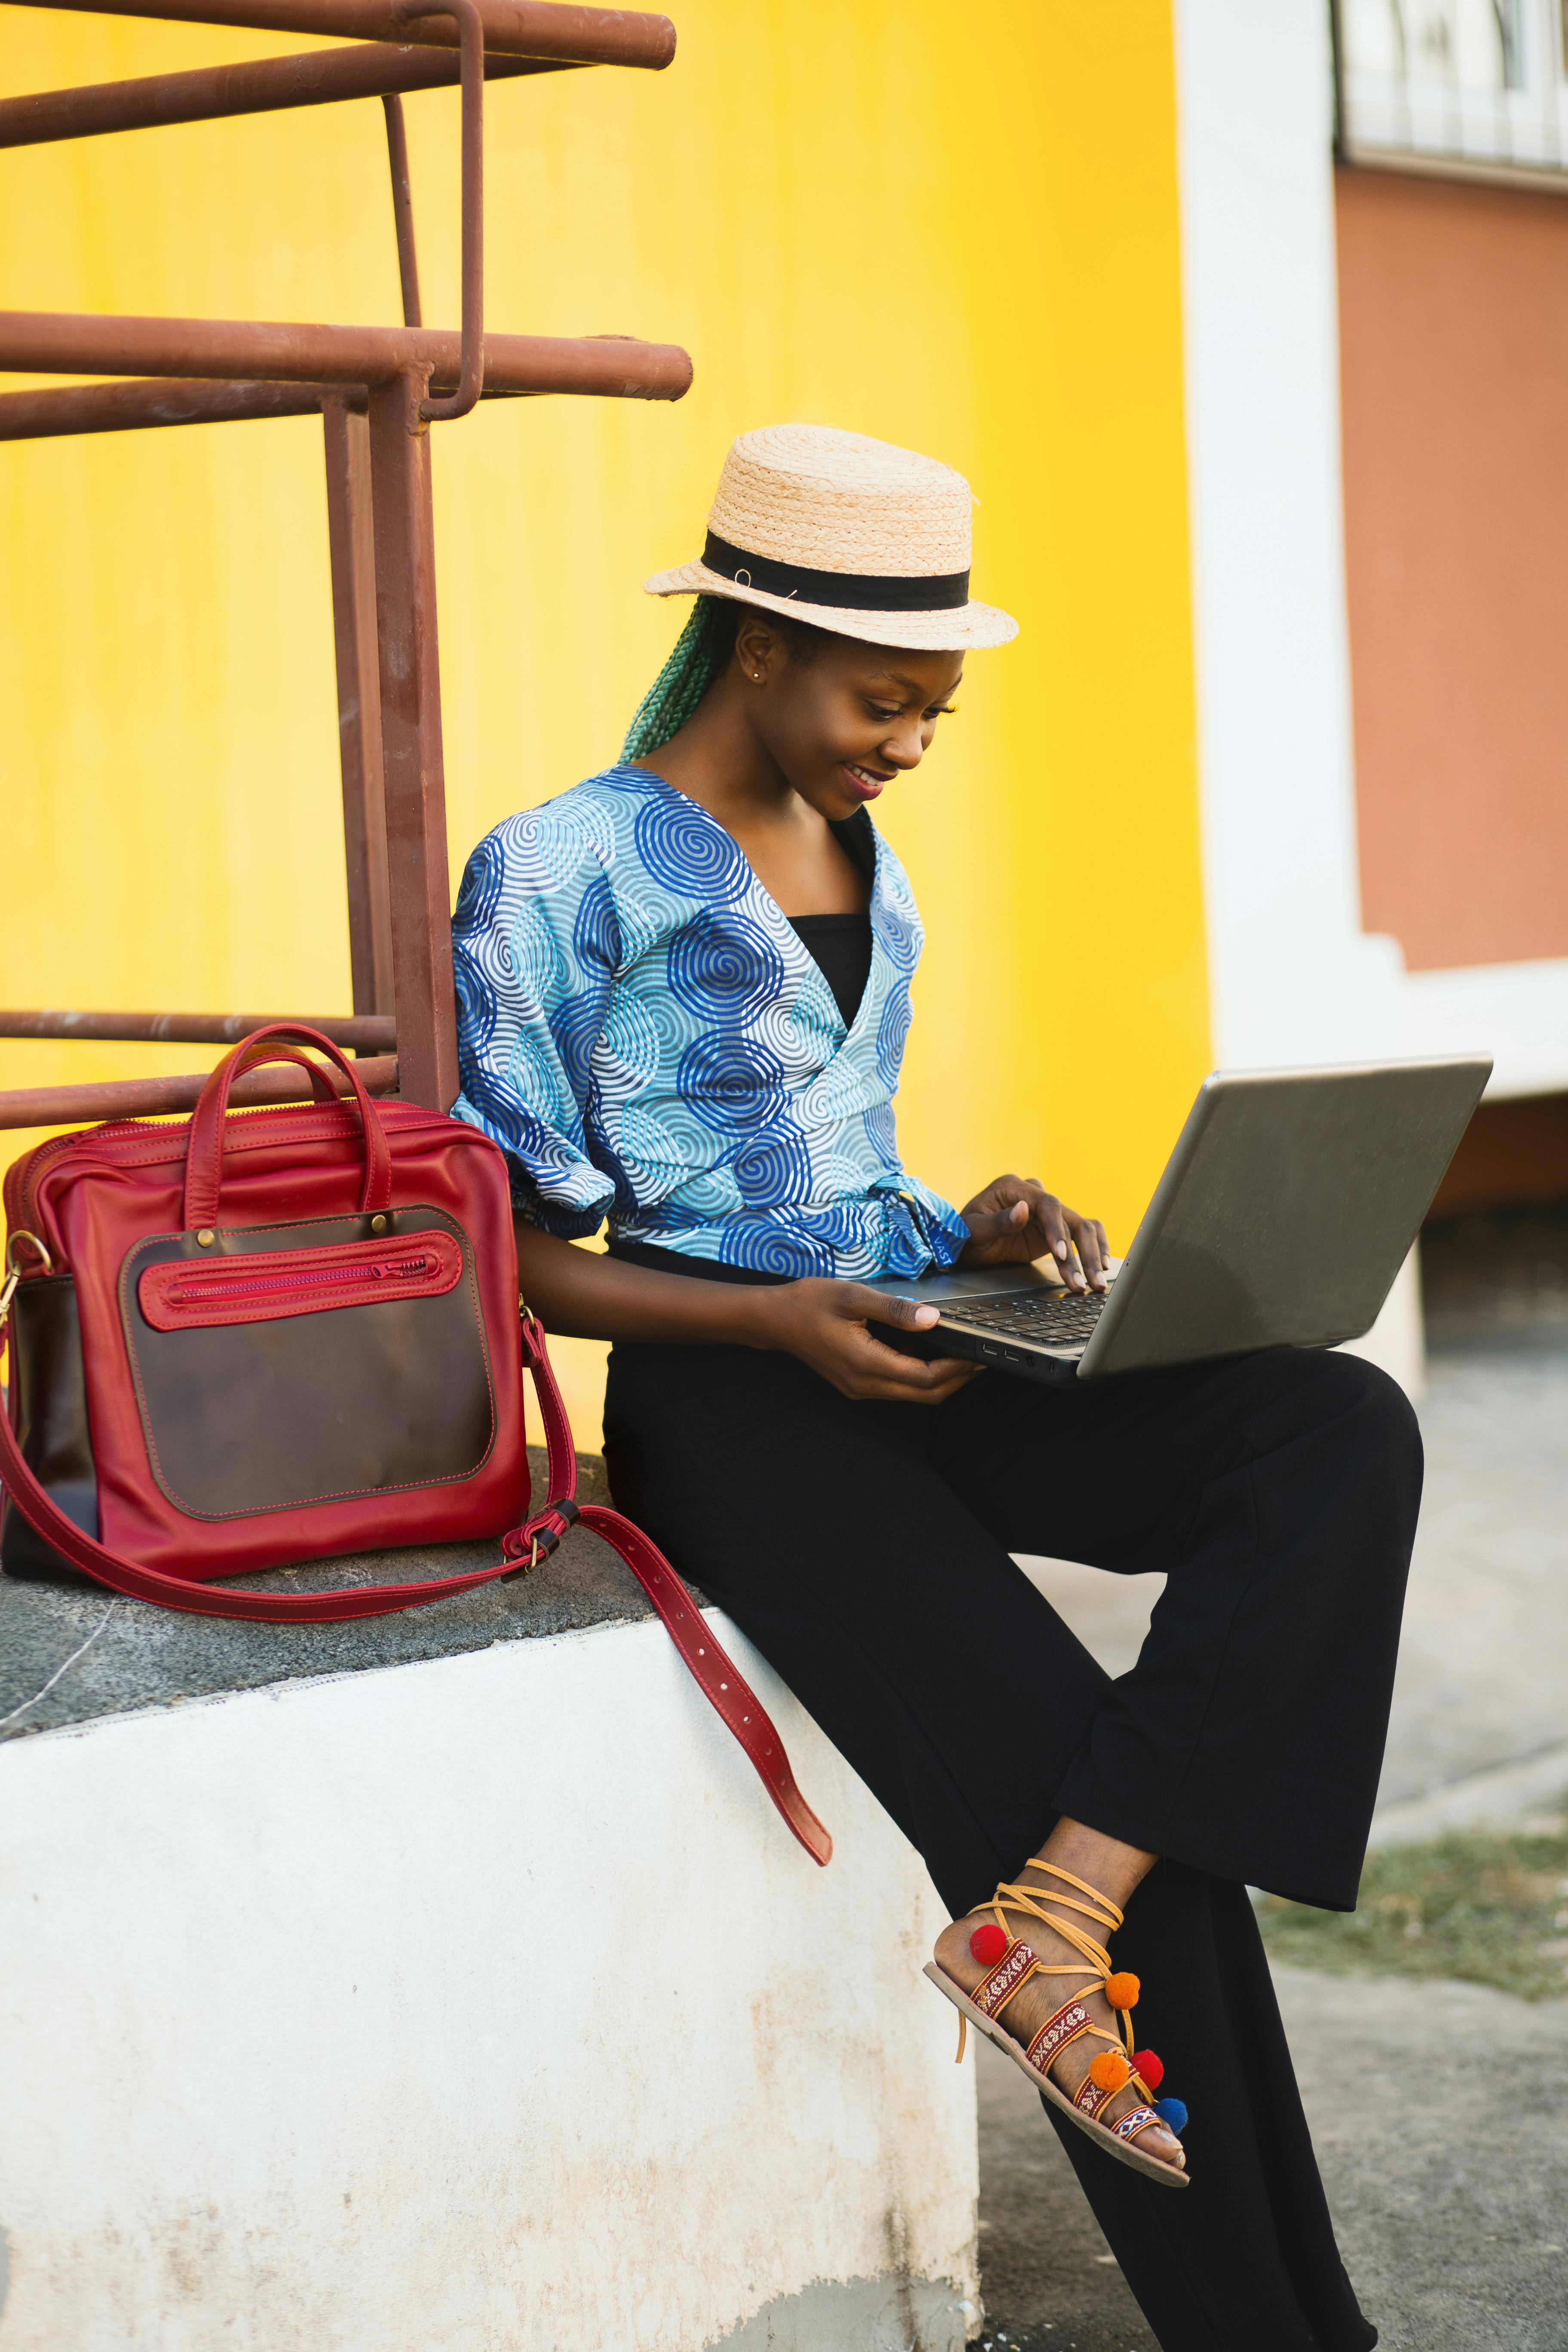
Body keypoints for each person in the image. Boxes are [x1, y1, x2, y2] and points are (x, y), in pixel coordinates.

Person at [451, 423, 1421, 2350]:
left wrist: (975, 1229)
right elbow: (513, 1247)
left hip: (915, 1329)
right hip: (739, 1408)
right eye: (884, 701)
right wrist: (776, 1322)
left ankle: (1052, 1899)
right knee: (1167, 1887)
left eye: (932, 713)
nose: (907, 743)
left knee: (1331, 1420)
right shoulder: (557, 868)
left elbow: (830, 1150)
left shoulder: (864, 861)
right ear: (754, 643)